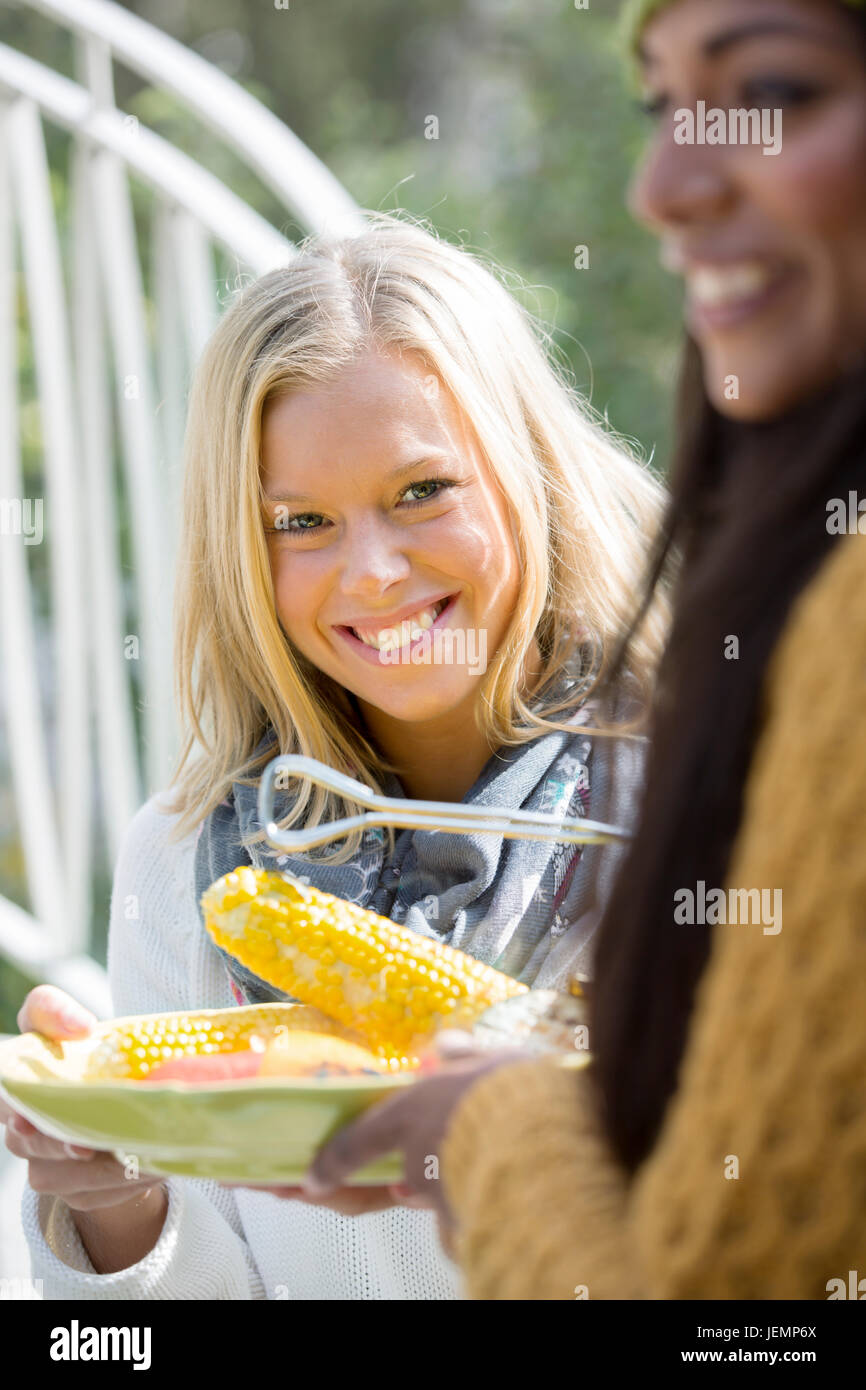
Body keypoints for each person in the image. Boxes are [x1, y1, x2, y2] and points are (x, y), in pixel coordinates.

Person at [304, 0, 866, 1299]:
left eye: (770, 91)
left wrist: (492, 1126)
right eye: (657, 105)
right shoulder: (187, 844)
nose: (659, 183)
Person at [2, 215, 667, 1298]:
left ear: (527, 472)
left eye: (421, 492)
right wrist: (115, 1201)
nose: (370, 574)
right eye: (300, 521)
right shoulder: (185, 864)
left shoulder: (723, 801)